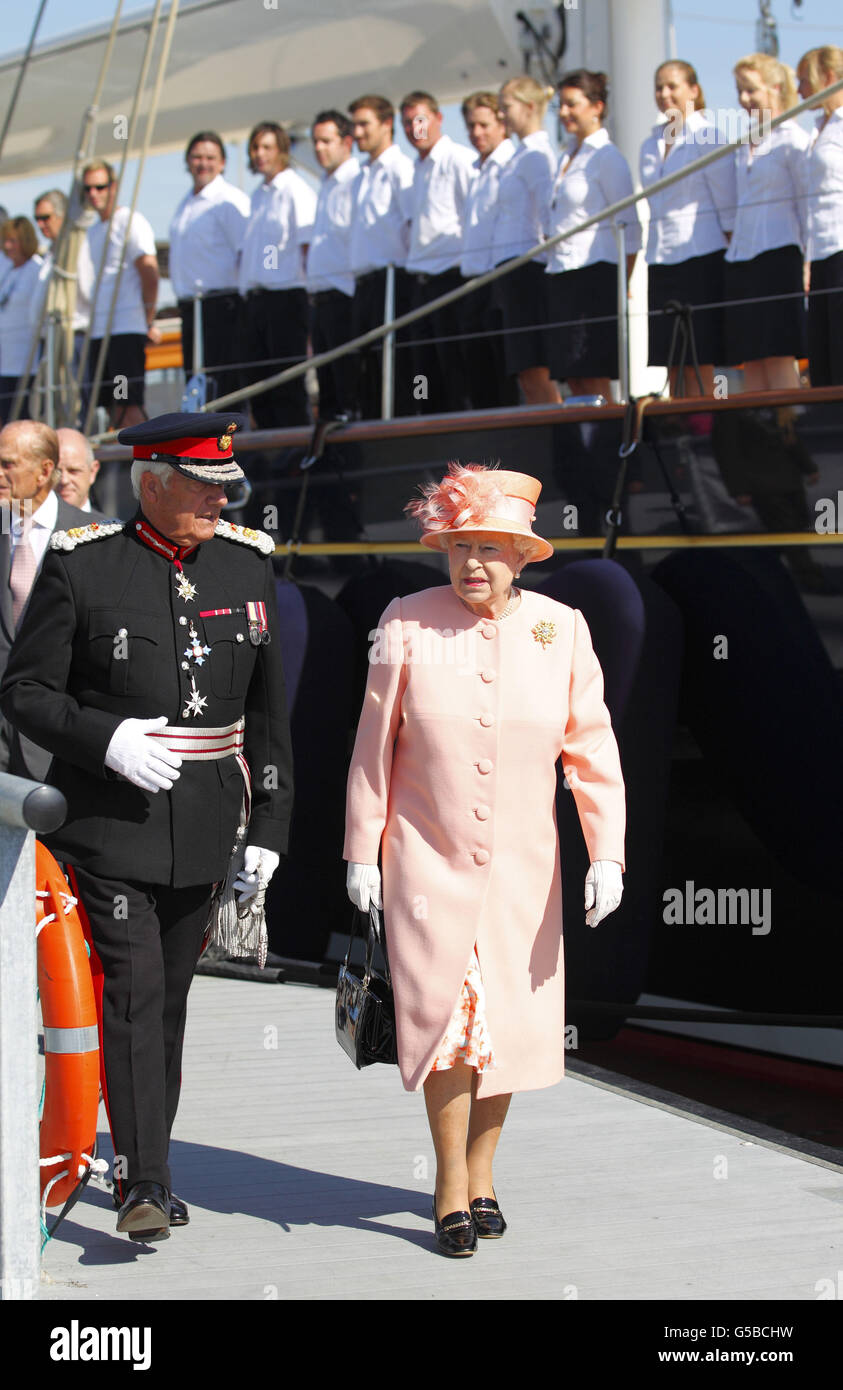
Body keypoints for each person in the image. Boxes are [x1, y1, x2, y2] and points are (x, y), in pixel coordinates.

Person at [0, 412, 293, 1242]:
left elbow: (271, 716)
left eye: (224, 488)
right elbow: (25, 693)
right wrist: (108, 739)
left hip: (205, 827)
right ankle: (143, 1183)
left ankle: (147, 1165)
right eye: (203, 486)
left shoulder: (246, 566)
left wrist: (270, 823)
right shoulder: (84, 568)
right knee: (132, 992)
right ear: (151, 482)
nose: (218, 500)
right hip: (110, 824)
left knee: (166, 1005)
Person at [344, 464, 625, 1256]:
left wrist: (607, 854)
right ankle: (446, 1188)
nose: (472, 563)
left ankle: (482, 1173)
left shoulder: (560, 627)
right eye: (459, 546)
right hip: (424, 868)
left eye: (491, 549)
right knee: (449, 1025)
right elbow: (373, 752)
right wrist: (360, 850)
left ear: (524, 556)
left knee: (506, 1026)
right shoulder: (404, 621)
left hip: (523, 876)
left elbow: (592, 751)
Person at [0, 419, 93, 779]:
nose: (0, 473)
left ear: (43, 472)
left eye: (8, 464)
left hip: (58, 740)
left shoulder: (96, 536)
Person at [640, 61, 736, 397]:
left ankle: (707, 432)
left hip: (702, 256)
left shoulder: (708, 136)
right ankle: (680, 433)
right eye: (658, 87)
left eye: (672, 86)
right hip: (662, 259)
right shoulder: (650, 144)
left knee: (702, 356)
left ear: (693, 90)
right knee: (671, 358)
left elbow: (728, 206)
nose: (664, 94)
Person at [545, 70, 641, 401]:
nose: (563, 113)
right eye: (560, 105)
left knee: (593, 373)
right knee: (571, 375)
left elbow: (629, 227)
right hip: (561, 274)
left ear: (596, 107)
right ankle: (583, 443)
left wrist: (621, 283)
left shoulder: (607, 157)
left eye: (572, 104)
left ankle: (607, 442)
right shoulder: (566, 156)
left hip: (594, 274)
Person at [725, 55, 809, 392]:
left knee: (778, 353)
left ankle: (787, 433)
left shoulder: (793, 139)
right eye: (739, 91)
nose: (744, 99)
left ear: (775, 89)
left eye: (751, 90)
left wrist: (806, 263)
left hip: (779, 253)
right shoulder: (742, 143)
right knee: (752, 356)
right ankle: (758, 435)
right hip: (743, 258)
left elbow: (806, 206)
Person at [401, 90, 476, 414]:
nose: (414, 129)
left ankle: (456, 433)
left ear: (438, 118)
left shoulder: (458, 159)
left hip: (451, 276)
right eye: (407, 123)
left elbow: (472, 215)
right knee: (423, 368)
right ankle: (430, 424)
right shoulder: (416, 170)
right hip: (421, 281)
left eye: (420, 120)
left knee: (454, 364)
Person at [238, 121, 317, 428]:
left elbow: (307, 245)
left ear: (282, 151)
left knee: (287, 381)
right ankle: (271, 447)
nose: (260, 154)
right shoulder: (258, 196)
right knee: (259, 382)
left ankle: (293, 448)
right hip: (257, 300)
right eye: (255, 148)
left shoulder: (296, 190)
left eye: (267, 147)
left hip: (285, 296)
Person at [76, 160, 159, 428]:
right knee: (112, 406)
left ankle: (139, 466)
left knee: (128, 405)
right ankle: (124, 464)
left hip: (125, 329)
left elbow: (149, 272)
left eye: (100, 187)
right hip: (101, 331)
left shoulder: (130, 221)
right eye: (88, 188)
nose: (94, 194)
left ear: (114, 187)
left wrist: (146, 319)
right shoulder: (92, 231)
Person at [492, 77, 560, 405]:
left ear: (530, 107)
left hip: (528, 266)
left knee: (535, 367)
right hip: (510, 267)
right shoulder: (519, 156)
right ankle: (547, 440)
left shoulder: (537, 156)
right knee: (524, 369)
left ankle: (560, 439)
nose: (501, 115)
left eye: (506, 107)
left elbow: (549, 213)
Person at [168, 131, 250, 403]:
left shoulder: (229, 200)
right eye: (197, 157)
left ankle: (230, 443)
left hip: (222, 305)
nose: (203, 163)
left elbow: (246, 252)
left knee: (225, 384)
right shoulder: (185, 203)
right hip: (192, 307)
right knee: (197, 383)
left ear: (223, 162)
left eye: (210, 158)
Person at [348, 95, 415, 419]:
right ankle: (374, 424)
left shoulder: (402, 169)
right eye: (355, 125)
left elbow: (413, 223)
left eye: (364, 124)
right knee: (367, 367)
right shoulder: (361, 175)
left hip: (391, 280)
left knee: (395, 365)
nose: (357, 133)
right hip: (363, 281)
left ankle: (397, 426)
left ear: (386, 124)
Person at [458, 91, 516, 409]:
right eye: (470, 126)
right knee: (478, 369)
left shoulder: (510, 164)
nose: (476, 133)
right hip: (474, 282)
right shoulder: (476, 170)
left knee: (503, 369)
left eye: (483, 125)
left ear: (501, 124)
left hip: (499, 278)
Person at [306, 110, 360, 420]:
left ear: (346, 142)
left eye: (327, 141)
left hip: (344, 298)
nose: (319, 149)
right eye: (315, 142)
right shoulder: (326, 185)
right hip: (321, 300)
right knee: (327, 386)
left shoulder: (355, 181)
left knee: (347, 383)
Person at [797, 45, 843, 387]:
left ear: (827, 78)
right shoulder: (816, 130)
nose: (798, 90)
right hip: (822, 255)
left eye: (804, 80)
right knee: (823, 361)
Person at [0, 217, 46, 421]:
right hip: (5, 361)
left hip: (26, 361)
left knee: (22, 418)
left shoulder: (38, 269)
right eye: (5, 240)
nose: (7, 246)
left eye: (13, 240)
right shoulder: (8, 270)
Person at [56, 426, 101, 512]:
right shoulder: (26, 523)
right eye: (56, 471)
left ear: (92, 471)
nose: (64, 480)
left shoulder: (111, 525)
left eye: (73, 471)